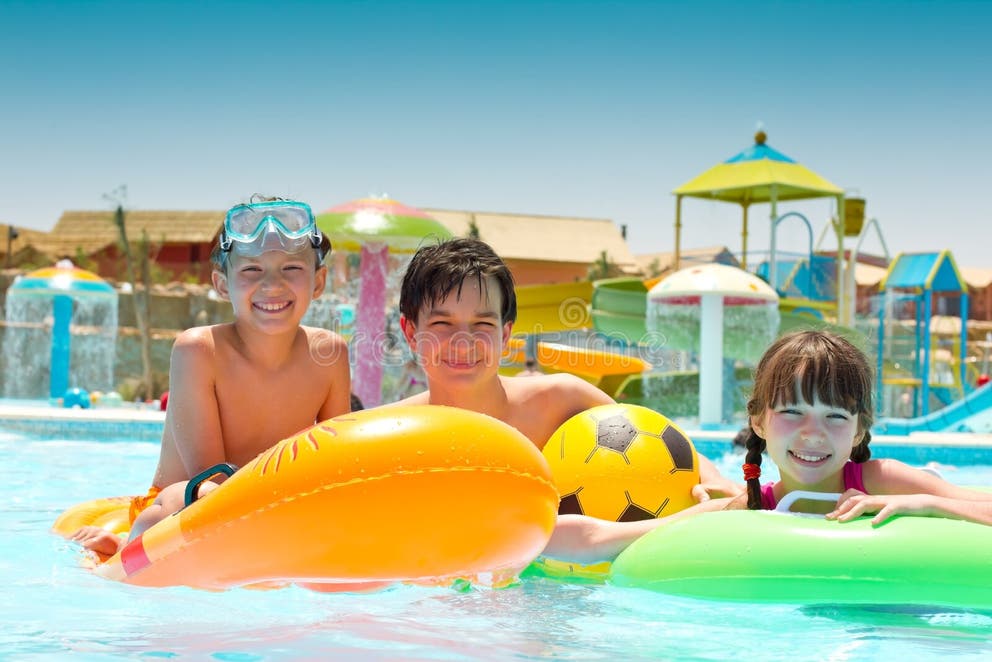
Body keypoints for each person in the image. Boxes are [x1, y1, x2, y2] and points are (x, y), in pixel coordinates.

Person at [389, 237, 742, 562]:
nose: (463, 342)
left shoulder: (560, 400)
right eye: (442, 324)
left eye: (482, 324)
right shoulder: (394, 433)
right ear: (410, 333)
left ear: (506, 333)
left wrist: (718, 483)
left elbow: (665, 444)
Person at [71, 197, 352, 558]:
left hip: (274, 503)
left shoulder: (329, 354)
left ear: (318, 282)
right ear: (222, 284)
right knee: (185, 496)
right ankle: (127, 546)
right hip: (190, 500)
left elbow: (338, 463)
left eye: (291, 268)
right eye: (251, 270)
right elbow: (209, 477)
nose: (272, 285)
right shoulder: (200, 351)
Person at [735, 330, 992, 526]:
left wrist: (925, 503)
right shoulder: (753, 504)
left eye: (835, 415)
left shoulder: (883, 481)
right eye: (792, 412)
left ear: (858, 430)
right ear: (758, 422)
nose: (812, 434)